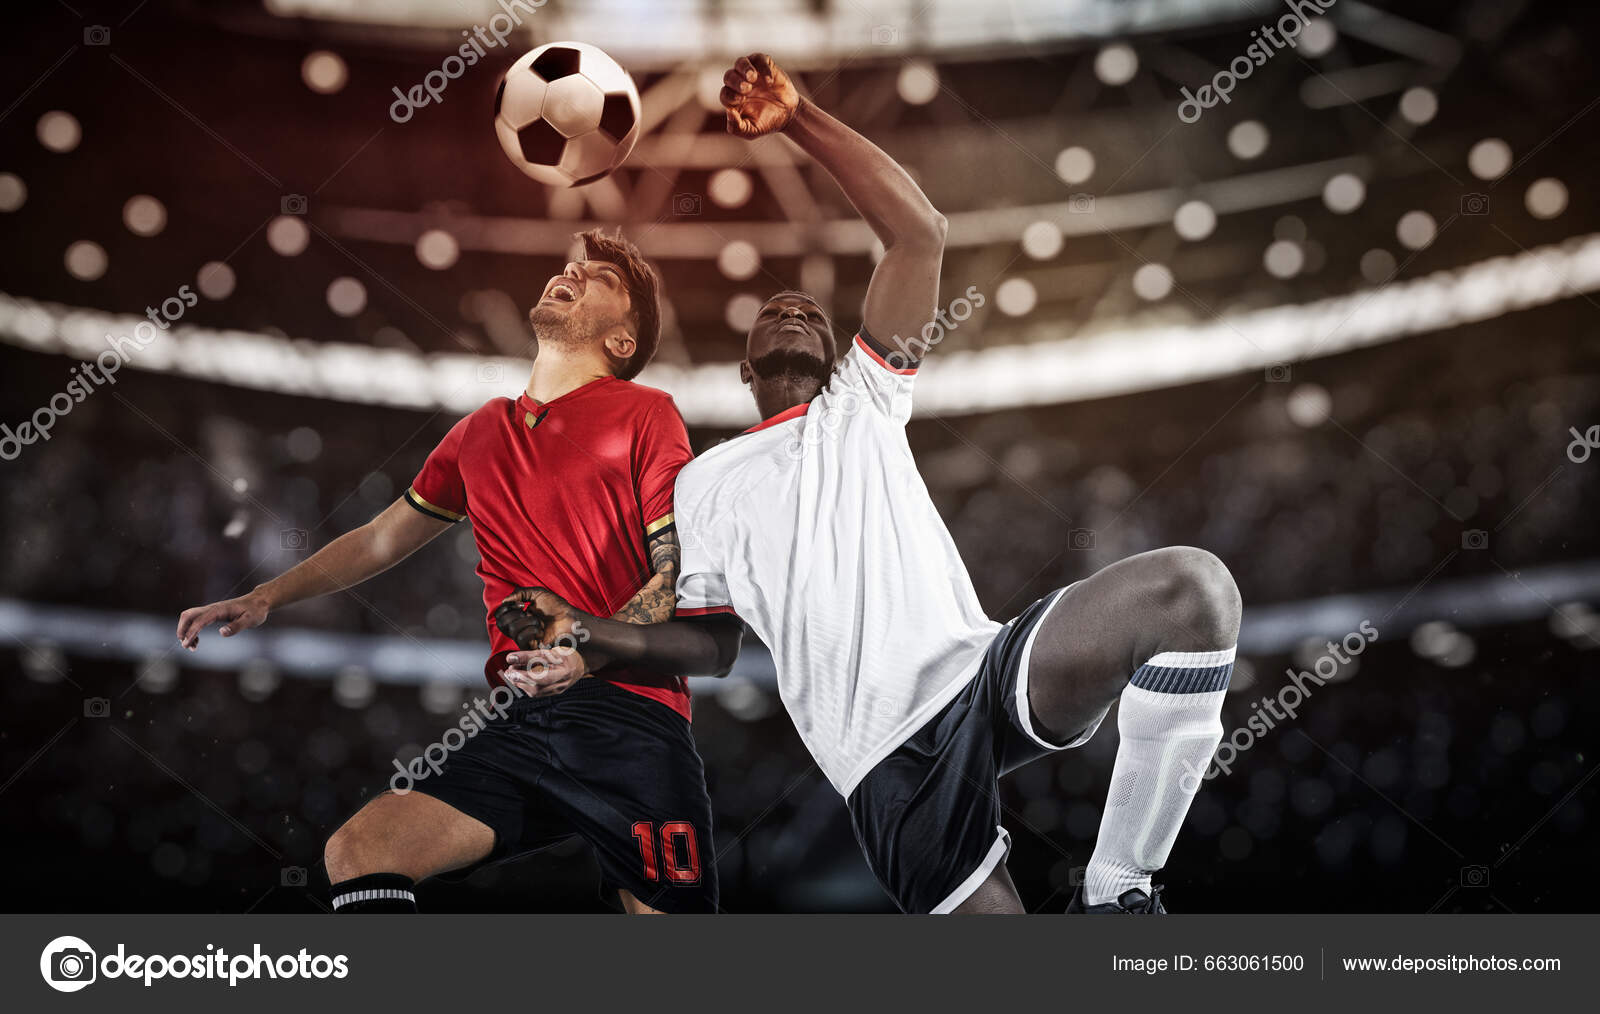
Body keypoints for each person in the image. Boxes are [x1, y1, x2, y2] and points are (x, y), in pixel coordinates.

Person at [499, 54, 1242, 915]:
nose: (796, 308)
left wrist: (801, 117)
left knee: (1195, 592)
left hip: (984, 674)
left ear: (834, 352)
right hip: (887, 762)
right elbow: (709, 646)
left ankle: (1118, 895)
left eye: (814, 311)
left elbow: (920, 231)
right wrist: (590, 636)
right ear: (747, 367)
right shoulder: (700, 487)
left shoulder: (867, 398)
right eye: (776, 310)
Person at [176, 229, 720, 914]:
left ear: (621, 341)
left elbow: (673, 571)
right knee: (361, 852)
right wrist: (265, 594)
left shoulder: (648, 412)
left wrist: (585, 651)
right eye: (571, 266)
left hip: (632, 719)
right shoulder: (478, 432)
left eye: (601, 278)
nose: (574, 274)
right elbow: (379, 541)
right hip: (523, 721)